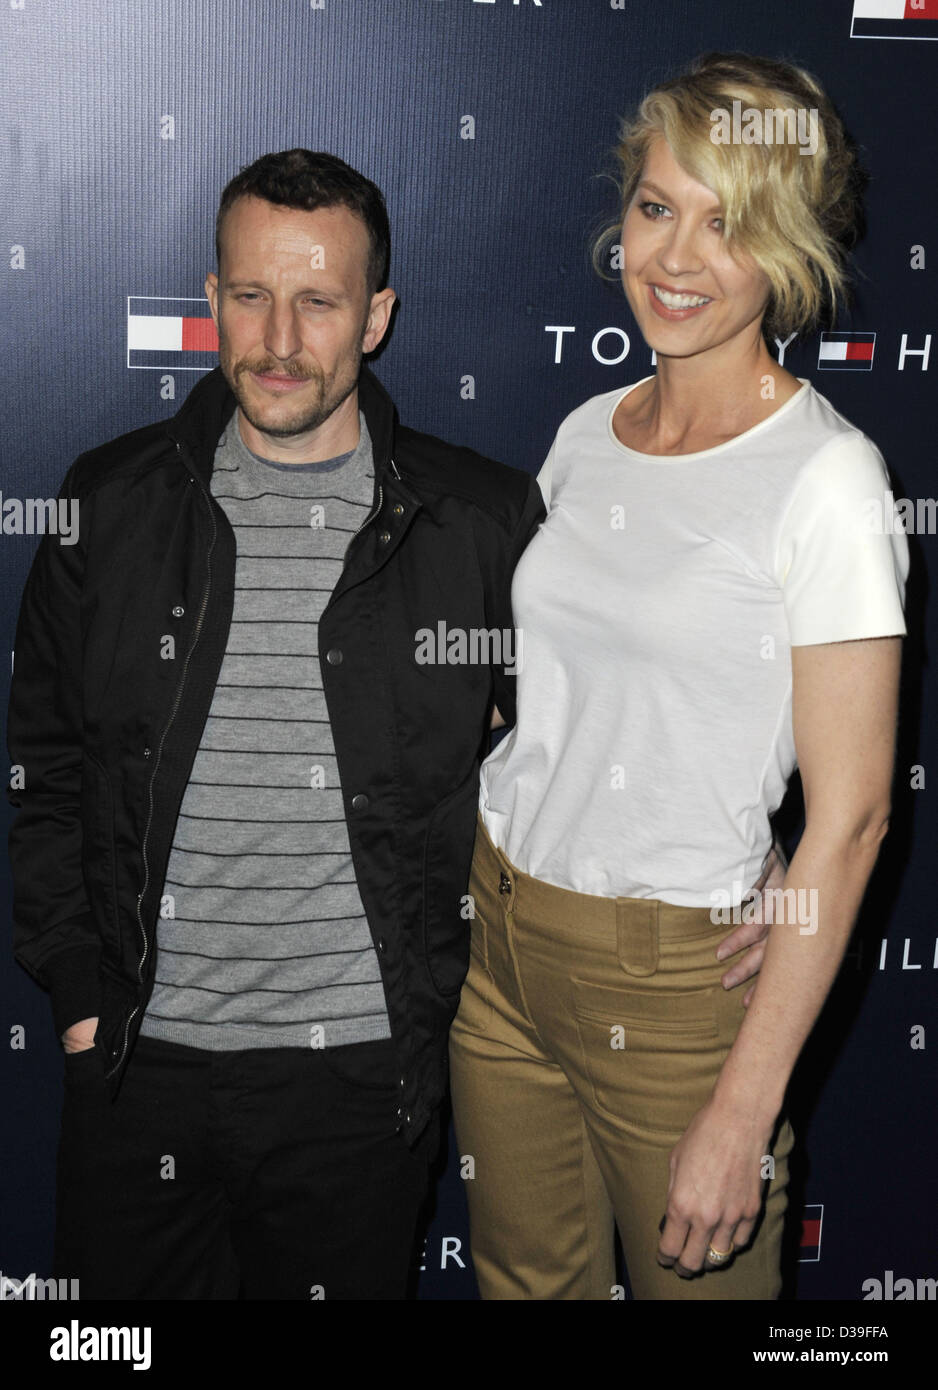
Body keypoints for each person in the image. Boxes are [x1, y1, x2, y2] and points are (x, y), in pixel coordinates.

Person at [6, 148, 551, 1300]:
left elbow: (566, 761)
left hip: (356, 1083)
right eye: (250, 295)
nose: (279, 340)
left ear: (376, 317)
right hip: (135, 1064)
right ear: (209, 301)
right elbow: (44, 767)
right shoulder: (104, 503)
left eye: (318, 301)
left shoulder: (480, 524)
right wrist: (76, 991)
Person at [449, 52, 909, 1301]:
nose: (675, 257)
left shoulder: (828, 480)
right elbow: (534, 684)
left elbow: (854, 812)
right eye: (657, 207)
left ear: (791, 253)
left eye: (730, 224)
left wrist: (740, 1109)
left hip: (671, 993)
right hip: (500, 945)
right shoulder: (584, 431)